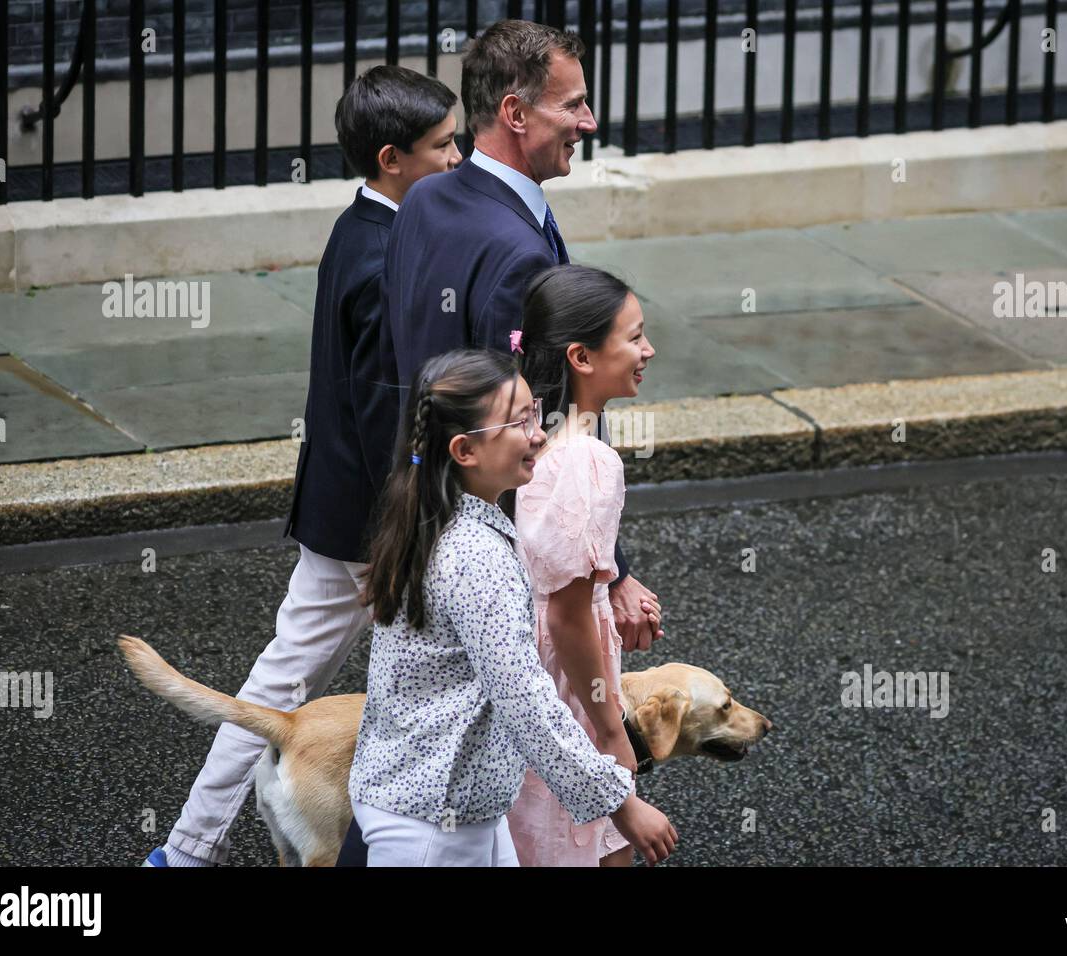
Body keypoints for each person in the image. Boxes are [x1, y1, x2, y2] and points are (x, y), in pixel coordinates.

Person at [142, 66, 460, 867]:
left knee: (281, 692)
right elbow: (390, 411)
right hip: (376, 524)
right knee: (434, 682)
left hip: (341, 507)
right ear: (393, 157)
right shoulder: (388, 258)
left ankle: (185, 853)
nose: (458, 157)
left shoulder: (360, 227)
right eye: (443, 144)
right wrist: (419, 526)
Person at [384, 18, 662, 653]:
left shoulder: (424, 201)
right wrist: (607, 569)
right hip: (496, 551)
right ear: (514, 112)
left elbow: (399, 360)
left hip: (425, 519)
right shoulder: (519, 254)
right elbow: (545, 416)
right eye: (572, 105)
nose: (588, 122)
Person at [347, 349, 677, 866]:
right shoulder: (476, 556)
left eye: (535, 411)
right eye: (519, 421)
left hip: (441, 805)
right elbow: (526, 701)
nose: (539, 434)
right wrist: (620, 802)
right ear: (465, 450)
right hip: (436, 825)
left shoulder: (434, 518)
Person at [504, 265, 657, 866]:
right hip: (570, 683)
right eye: (634, 337)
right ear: (582, 357)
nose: (649, 350)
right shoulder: (588, 460)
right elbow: (568, 617)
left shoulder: (535, 438)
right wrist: (614, 735)